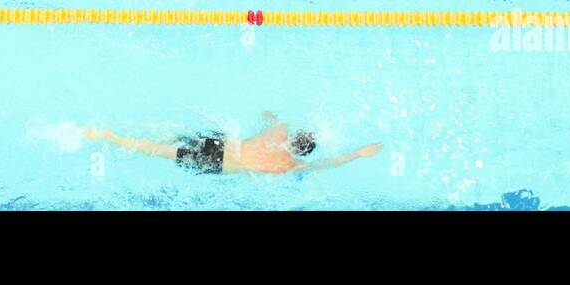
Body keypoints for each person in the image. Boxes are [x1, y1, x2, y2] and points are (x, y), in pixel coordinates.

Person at [85, 113, 382, 175]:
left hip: (220, 141)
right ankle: (110, 138)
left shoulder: (279, 131)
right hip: (218, 163)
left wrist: (270, 117)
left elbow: (269, 117)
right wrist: (359, 153)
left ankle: (112, 135)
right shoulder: (288, 165)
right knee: (160, 151)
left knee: (168, 140)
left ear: (295, 138)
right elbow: (325, 165)